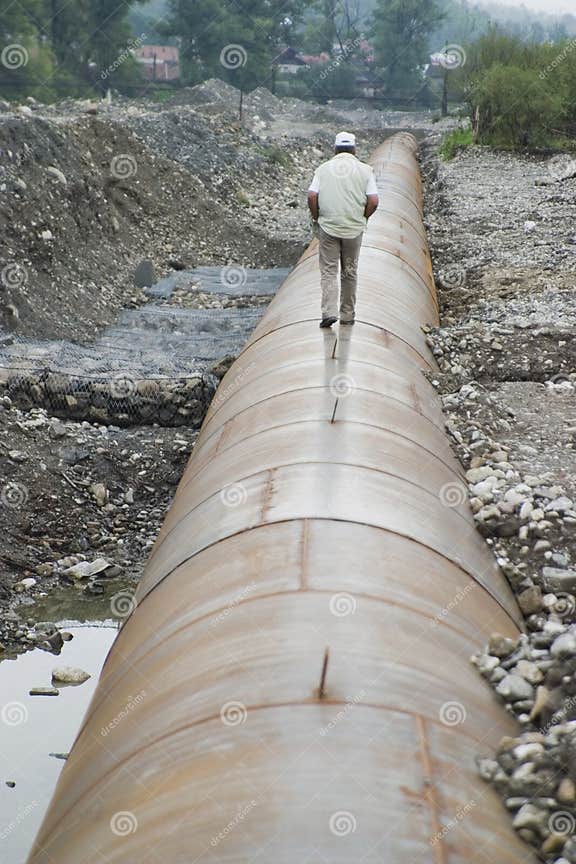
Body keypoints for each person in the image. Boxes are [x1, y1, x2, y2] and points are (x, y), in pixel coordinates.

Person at [307, 131, 379, 328]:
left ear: (336, 148)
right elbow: (373, 200)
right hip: (354, 229)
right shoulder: (366, 170)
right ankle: (347, 315)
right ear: (354, 149)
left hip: (328, 228)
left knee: (329, 270)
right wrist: (363, 217)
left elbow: (312, 195)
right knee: (349, 271)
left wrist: (316, 216)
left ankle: (329, 312)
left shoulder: (323, 169)